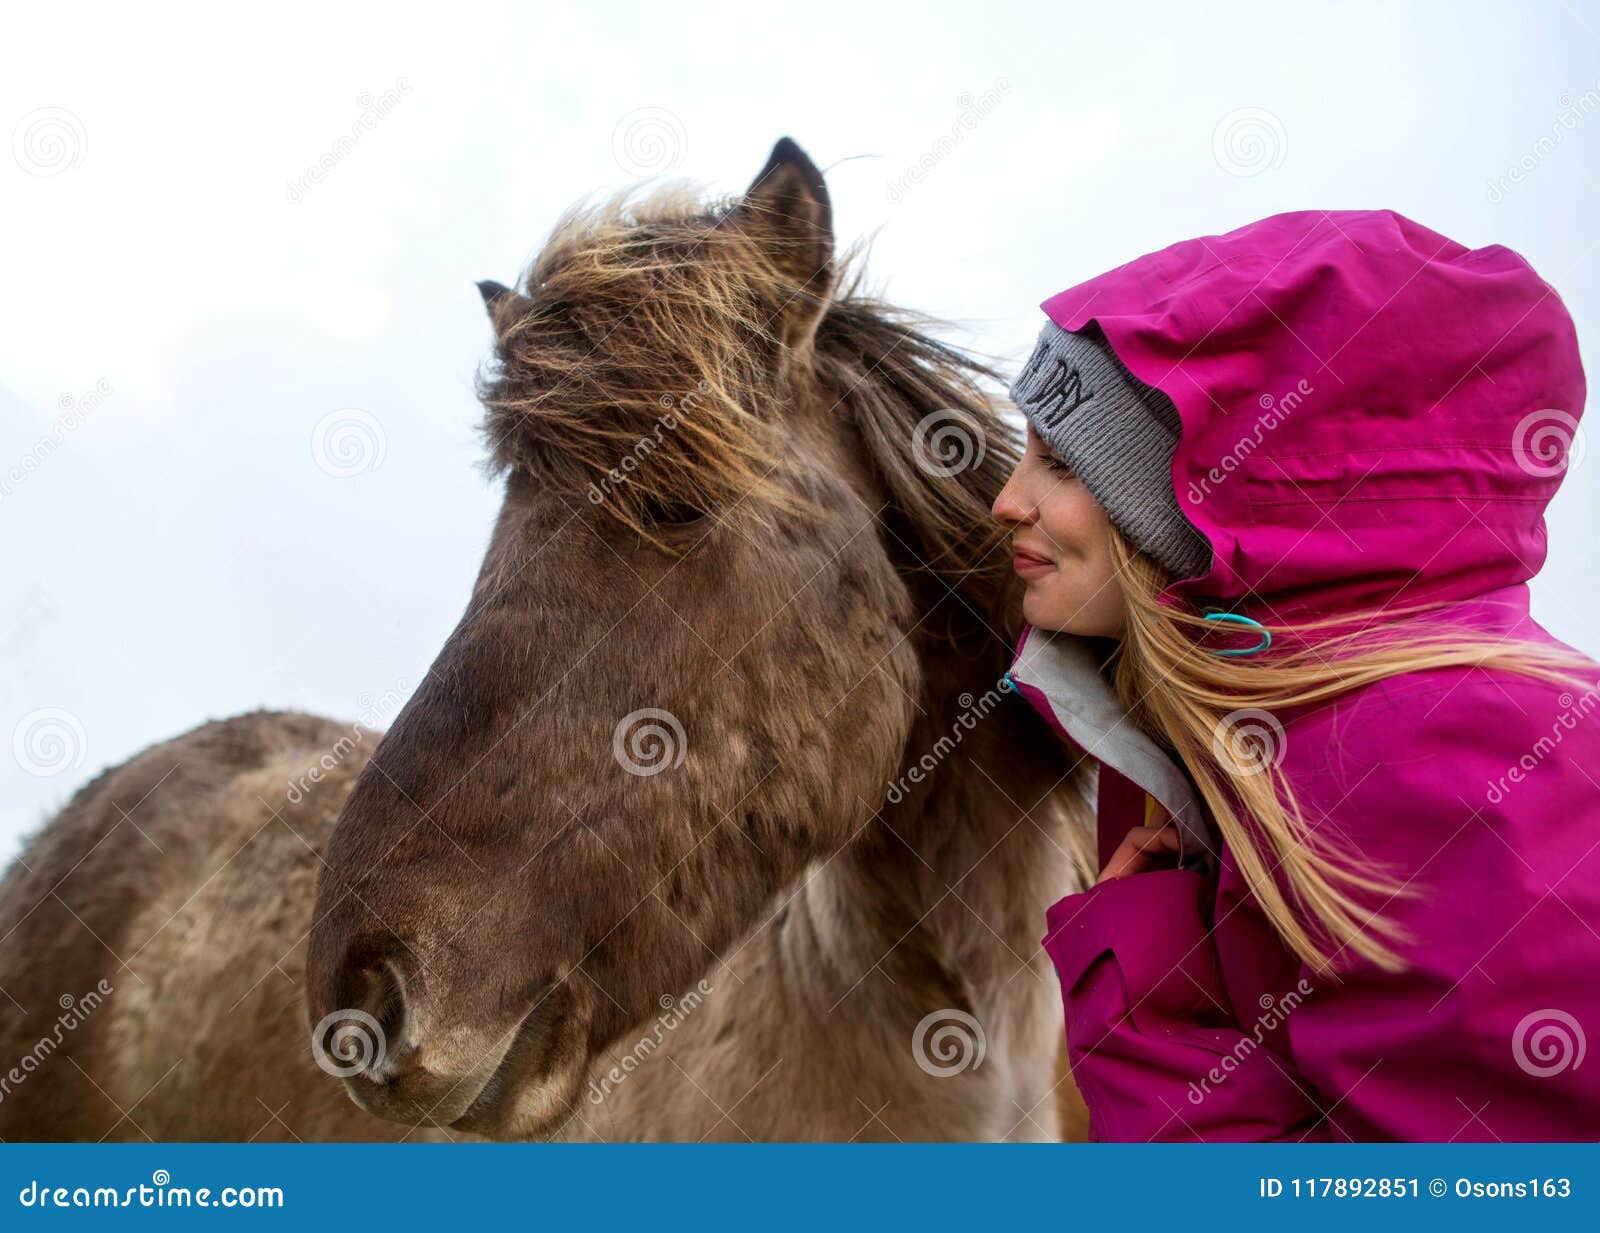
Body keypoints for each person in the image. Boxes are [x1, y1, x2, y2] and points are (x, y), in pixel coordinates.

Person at [990, 209, 1600, 1142]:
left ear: (1194, 502)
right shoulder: (1289, 733)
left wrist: (1149, 1019)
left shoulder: (1435, 761)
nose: (1006, 500)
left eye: (1062, 461)